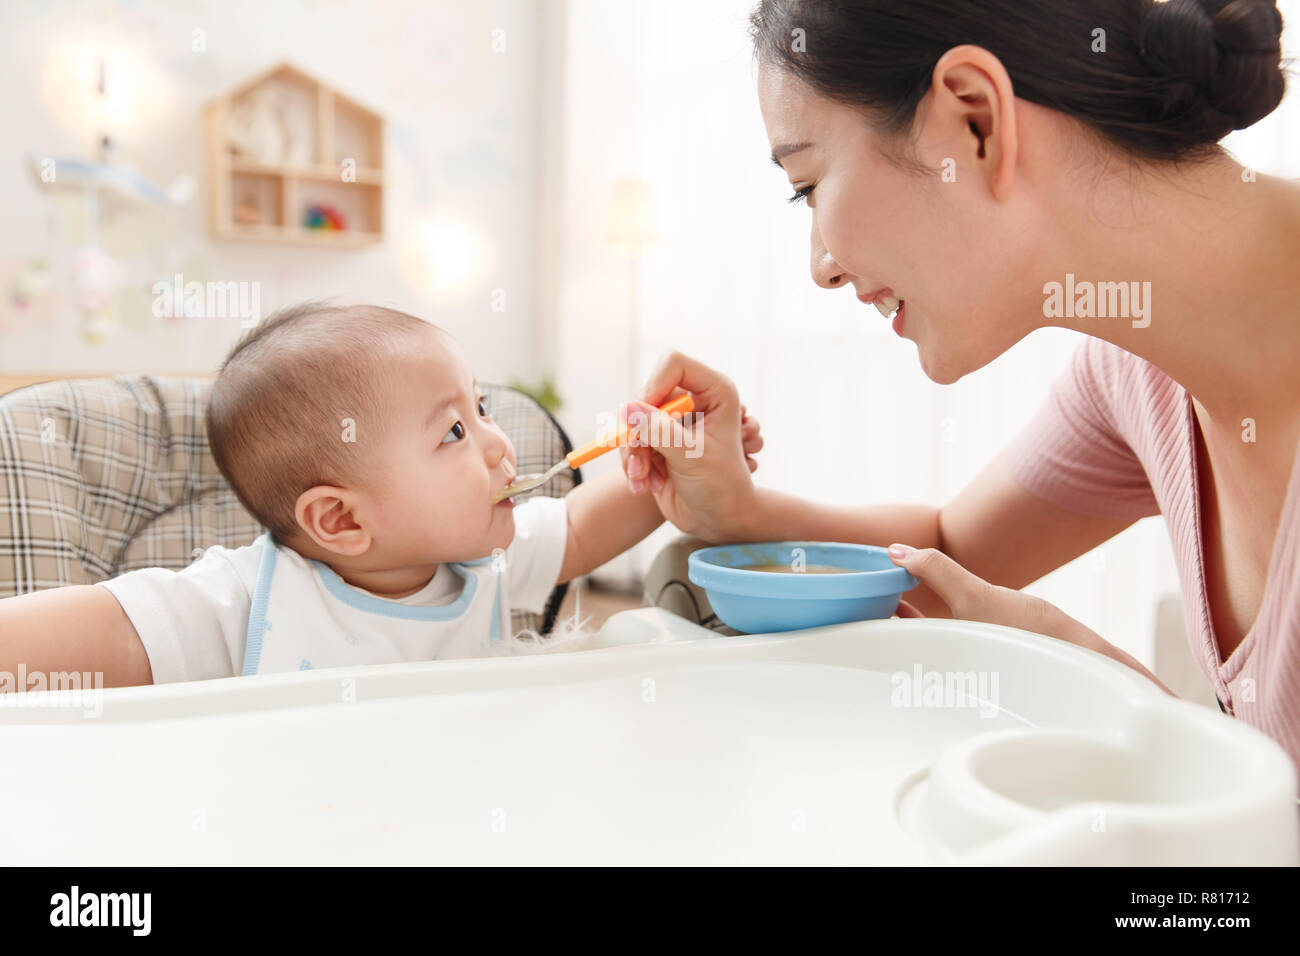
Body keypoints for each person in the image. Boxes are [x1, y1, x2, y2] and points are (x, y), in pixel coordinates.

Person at [618, 0, 1300, 774]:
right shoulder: (1135, 374)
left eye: (806, 185)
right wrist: (736, 508)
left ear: (975, 121)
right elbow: (950, 554)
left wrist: (1114, 699)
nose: (822, 267)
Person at [0, 302, 762, 682]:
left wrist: (677, 459)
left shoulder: (476, 560)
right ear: (339, 518)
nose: (498, 442)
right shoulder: (240, 604)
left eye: (482, 408)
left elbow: (579, 526)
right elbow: (90, 630)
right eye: (454, 433)